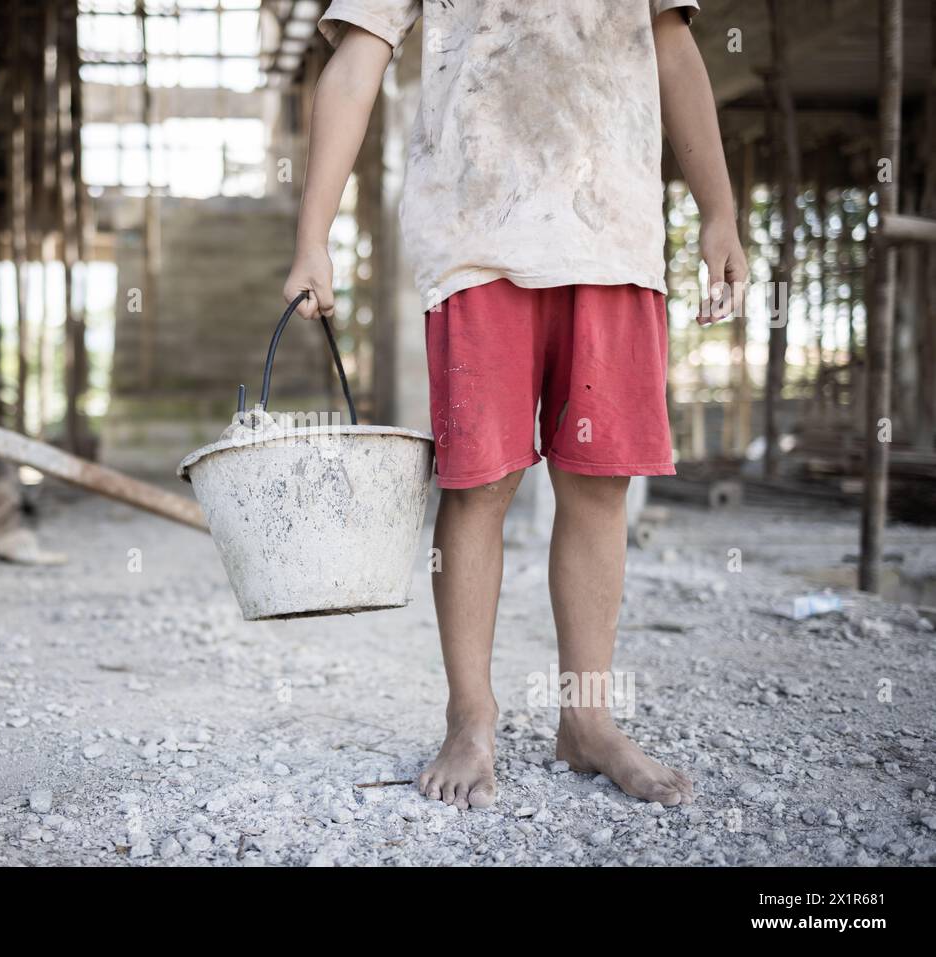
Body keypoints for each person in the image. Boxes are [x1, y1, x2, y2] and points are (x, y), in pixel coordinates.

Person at [284, 0, 746, 808]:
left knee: (601, 483)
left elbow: (672, 50)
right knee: (479, 481)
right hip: (475, 234)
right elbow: (358, 60)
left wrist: (720, 211)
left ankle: (589, 721)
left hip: (613, 233)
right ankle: (471, 715)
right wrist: (312, 234)